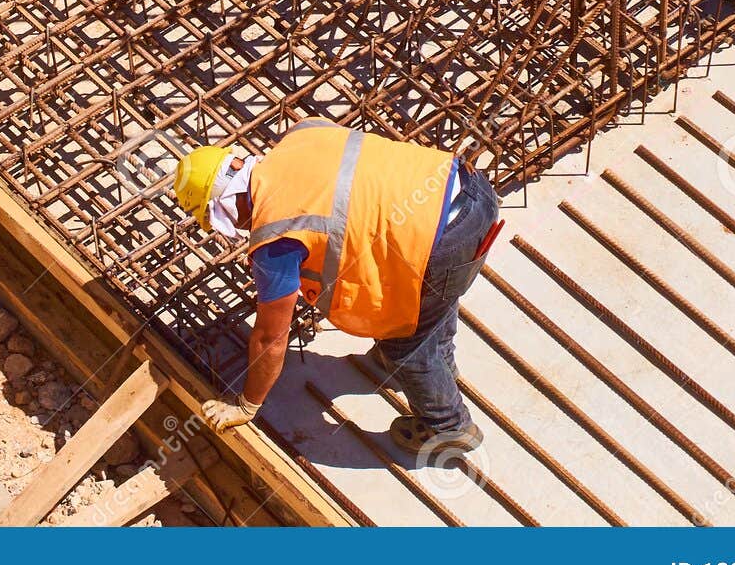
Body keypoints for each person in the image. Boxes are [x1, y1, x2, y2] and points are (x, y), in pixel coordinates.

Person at [173, 119, 502, 456]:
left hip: (445, 240)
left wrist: (247, 404)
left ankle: (449, 426)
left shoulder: (276, 238)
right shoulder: (302, 133)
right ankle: (441, 369)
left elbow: (270, 338)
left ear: (224, 206)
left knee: (406, 341)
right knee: (431, 303)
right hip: (470, 188)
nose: (241, 230)